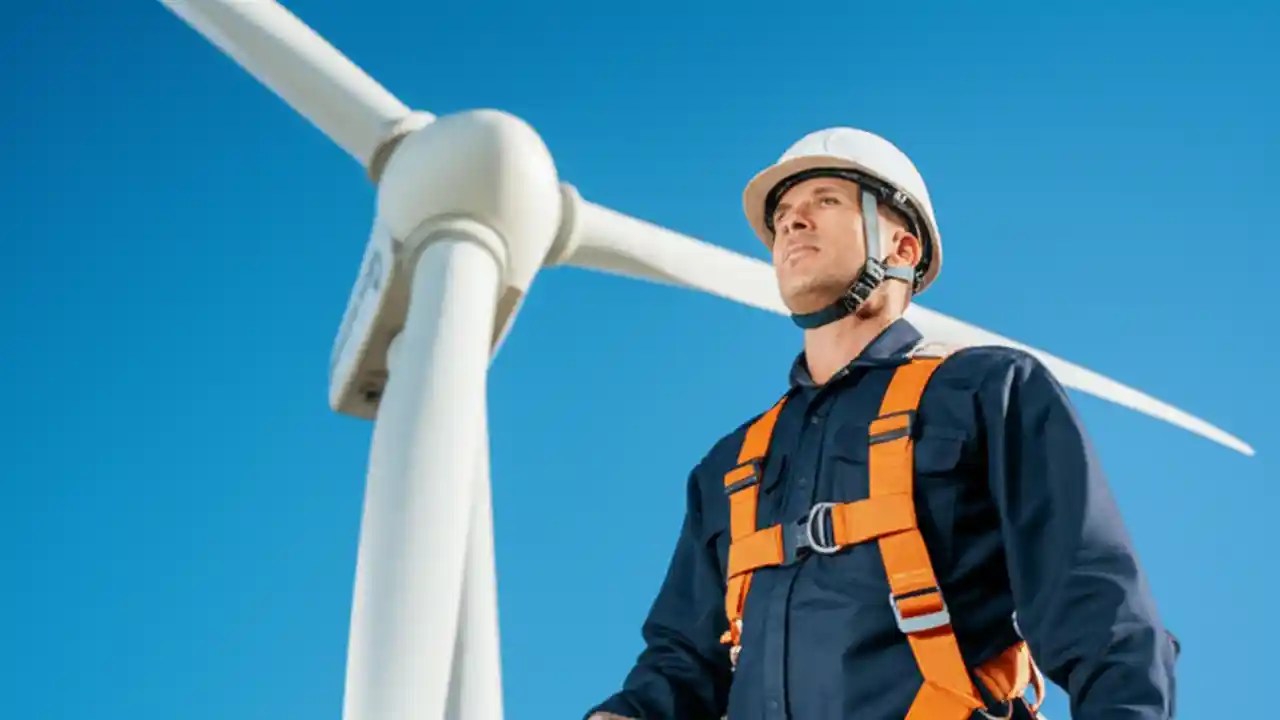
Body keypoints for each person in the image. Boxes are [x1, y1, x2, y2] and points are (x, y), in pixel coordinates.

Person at [585, 128, 1179, 719]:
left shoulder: (985, 393)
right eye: (784, 213)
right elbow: (681, 668)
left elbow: (1099, 611)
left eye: (825, 200)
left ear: (902, 249)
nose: (792, 222)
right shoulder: (730, 466)